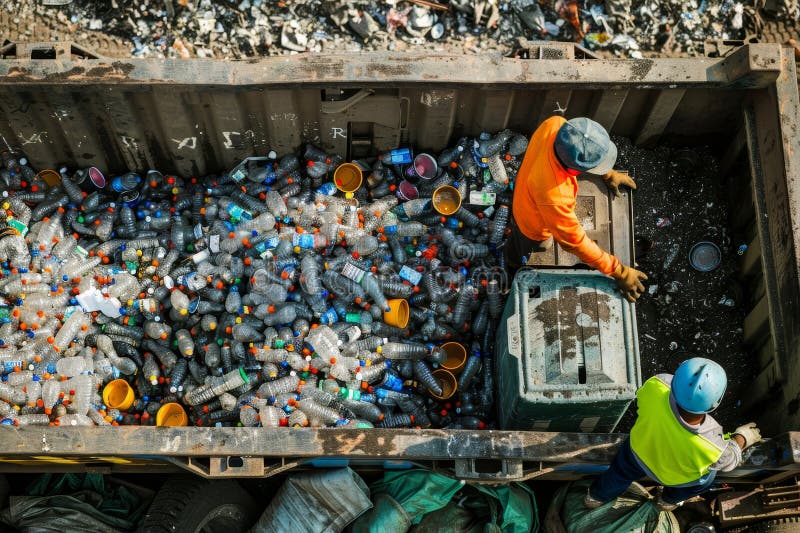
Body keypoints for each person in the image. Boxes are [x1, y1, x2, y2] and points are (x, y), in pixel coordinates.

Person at [584, 358, 761, 511]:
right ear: (714, 404)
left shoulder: (657, 385)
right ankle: (667, 501)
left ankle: (595, 497)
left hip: (637, 454)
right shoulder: (713, 444)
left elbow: (648, 394)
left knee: (619, 473)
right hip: (675, 478)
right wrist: (742, 438)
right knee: (706, 479)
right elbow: (729, 460)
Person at [506, 115, 647, 302]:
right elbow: (573, 241)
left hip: (525, 186)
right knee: (528, 246)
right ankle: (510, 268)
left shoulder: (555, 124)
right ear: (574, 169)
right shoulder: (555, 194)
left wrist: (607, 171)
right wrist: (619, 271)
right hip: (529, 224)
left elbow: (580, 146)